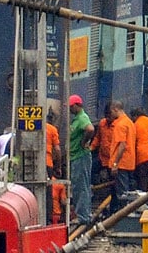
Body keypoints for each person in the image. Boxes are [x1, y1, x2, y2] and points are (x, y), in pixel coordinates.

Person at [69, 94, 95, 225]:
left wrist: (84, 141)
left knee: (81, 186)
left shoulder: (82, 118)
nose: (69, 109)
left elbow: (90, 129)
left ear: (77, 105)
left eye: (71, 106)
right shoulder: (77, 119)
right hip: (76, 157)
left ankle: (83, 216)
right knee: (79, 185)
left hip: (80, 156)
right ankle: (85, 214)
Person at [108, 101, 136, 212]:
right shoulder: (129, 122)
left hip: (121, 163)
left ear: (115, 109)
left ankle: (124, 215)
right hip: (129, 162)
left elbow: (122, 145)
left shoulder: (120, 125)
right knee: (128, 192)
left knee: (122, 194)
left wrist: (115, 163)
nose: (110, 114)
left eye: (111, 111)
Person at [130, 109, 148, 191]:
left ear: (135, 116)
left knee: (143, 180)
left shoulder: (135, 125)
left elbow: (133, 142)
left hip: (142, 156)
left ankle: (145, 200)